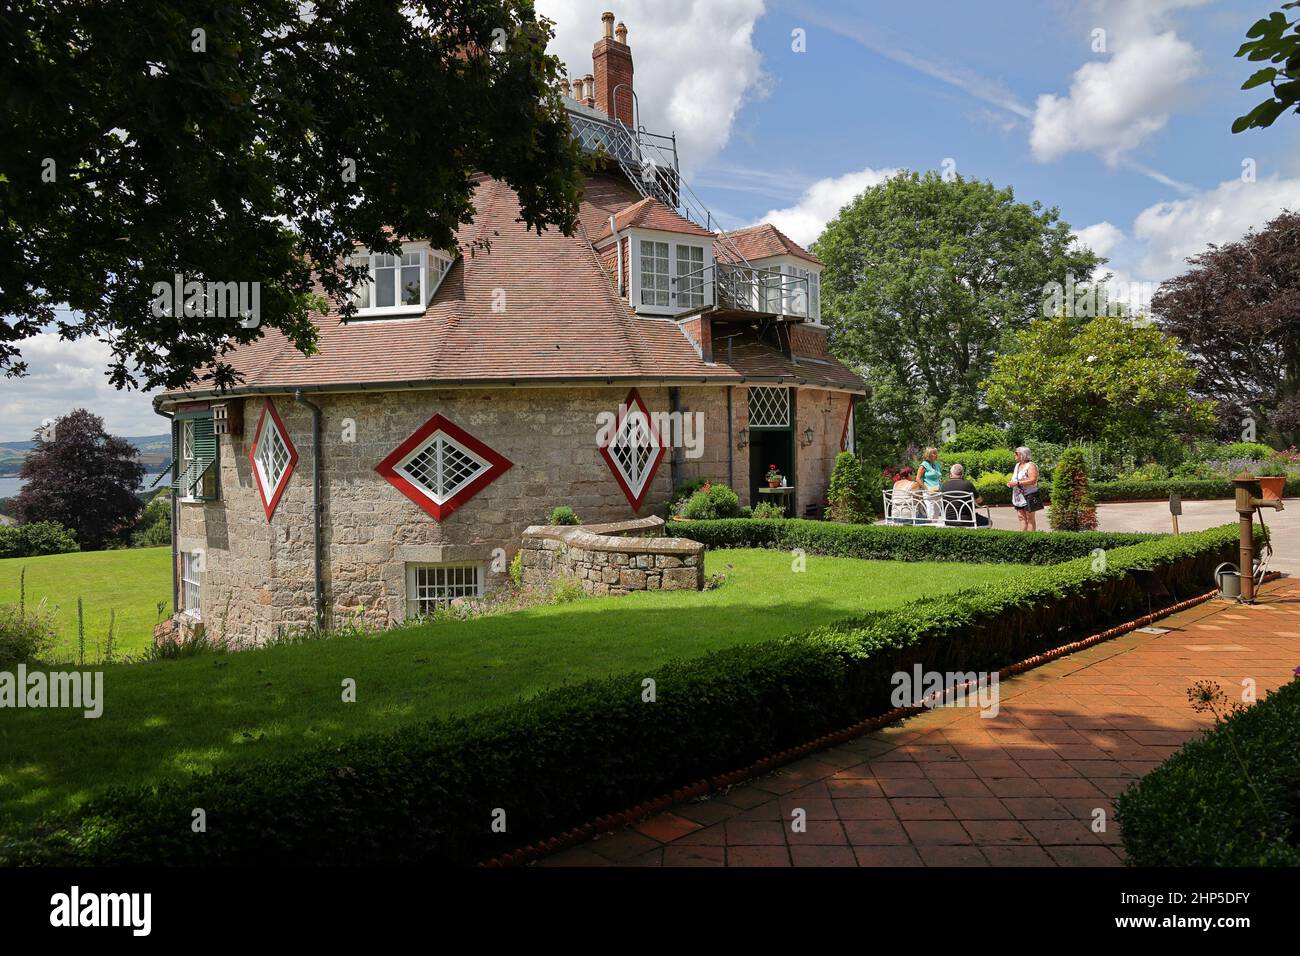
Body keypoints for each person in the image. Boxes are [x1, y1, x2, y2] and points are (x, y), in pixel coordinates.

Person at [1007, 446, 1043, 530]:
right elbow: (1016, 478)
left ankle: (1030, 539)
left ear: (1023, 454)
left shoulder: (1031, 466)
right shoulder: (1017, 465)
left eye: (1016, 453)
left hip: (1029, 495)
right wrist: (1011, 483)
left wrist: (1017, 483)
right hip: (1018, 496)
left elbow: (1033, 480)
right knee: (1021, 517)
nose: (1014, 454)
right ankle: (1022, 538)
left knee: (1030, 518)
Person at [918, 447, 943, 520]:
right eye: (934, 453)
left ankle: (934, 529)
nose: (936, 455)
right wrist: (926, 489)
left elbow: (938, 477)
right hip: (929, 492)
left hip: (938, 491)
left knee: (937, 513)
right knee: (930, 513)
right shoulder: (923, 465)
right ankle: (930, 527)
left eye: (936, 453)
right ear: (928, 455)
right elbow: (918, 479)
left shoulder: (937, 465)